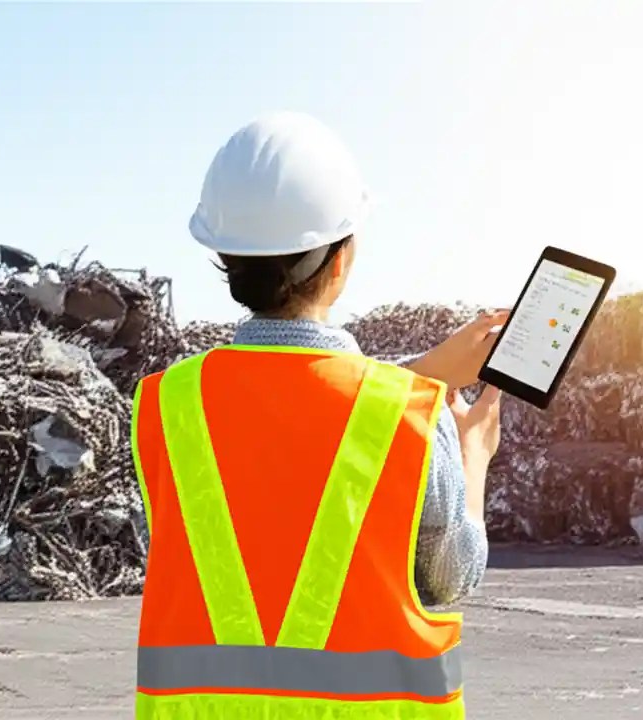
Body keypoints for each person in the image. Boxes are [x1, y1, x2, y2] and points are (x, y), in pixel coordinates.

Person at [129, 111, 504, 719]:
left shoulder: (166, 406)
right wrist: (472, 459)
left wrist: (422, 370)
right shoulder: (408, 413)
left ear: (226, 261)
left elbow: (283, 409)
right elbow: (450, 576)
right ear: (341, 262)